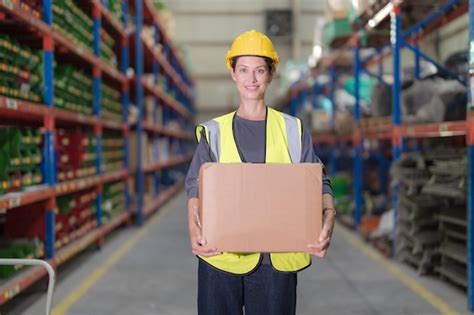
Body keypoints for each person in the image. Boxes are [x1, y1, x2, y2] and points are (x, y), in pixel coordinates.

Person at [185, 29, 336, 315]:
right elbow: (195, 186)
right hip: (221, 257)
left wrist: (329, 217)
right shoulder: (214, 131)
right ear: (233, 73)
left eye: (259, 70)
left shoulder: (293, 129)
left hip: (275, 262)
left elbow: (318, 181)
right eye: (243, 70)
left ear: (270, 74)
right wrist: (193, 228)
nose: (251, 79)